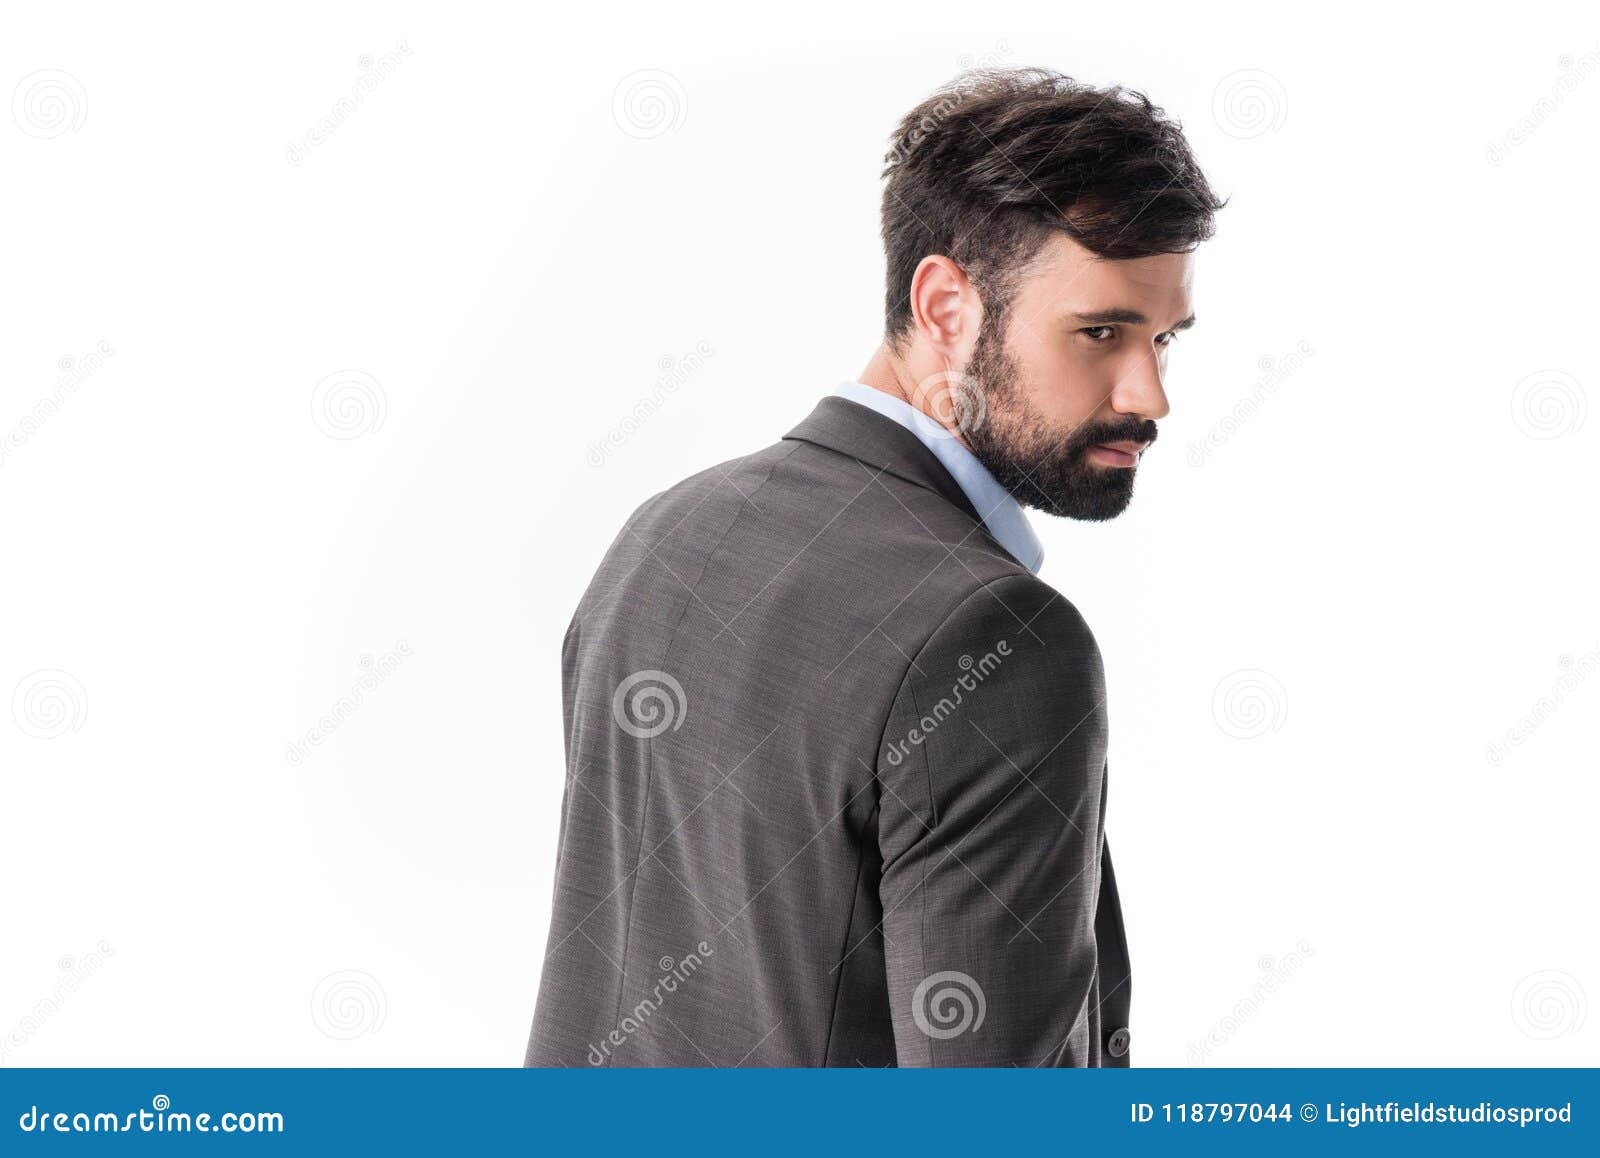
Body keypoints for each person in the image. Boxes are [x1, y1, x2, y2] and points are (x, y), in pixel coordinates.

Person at [525, 66, 1223, 1067]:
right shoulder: (996, 637)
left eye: (1163, 338)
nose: (1148, 392)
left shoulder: (664, 534)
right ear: (946, 306)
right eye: (1101, 332)